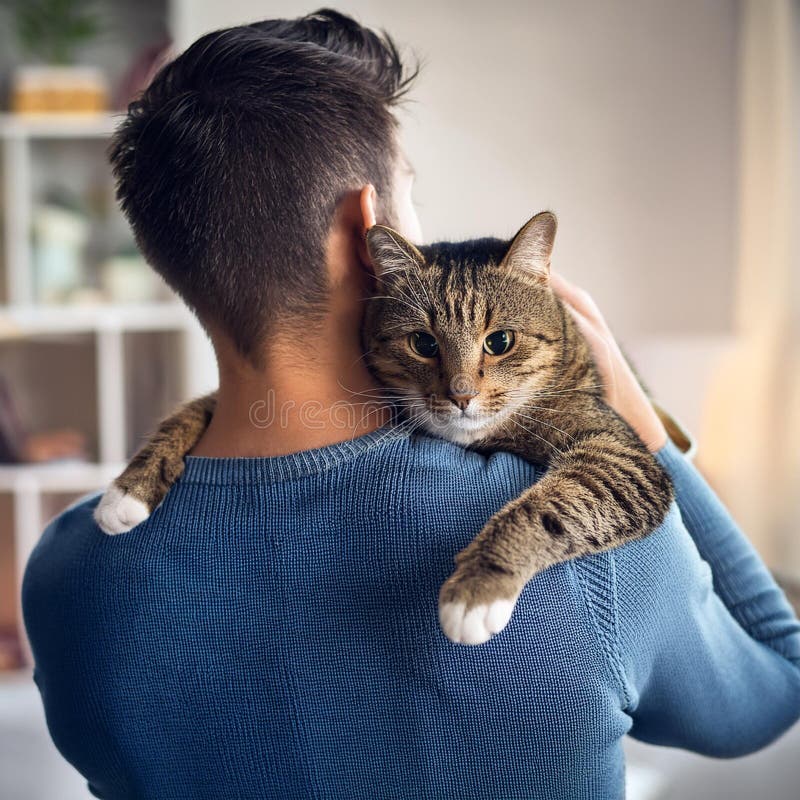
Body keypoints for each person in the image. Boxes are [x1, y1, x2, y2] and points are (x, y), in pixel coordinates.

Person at [22, 9, 800, 800]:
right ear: (367, 227)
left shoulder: (63, 574)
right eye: (412, 192)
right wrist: (645, 431)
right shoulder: (571, 534)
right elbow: (778, 679)